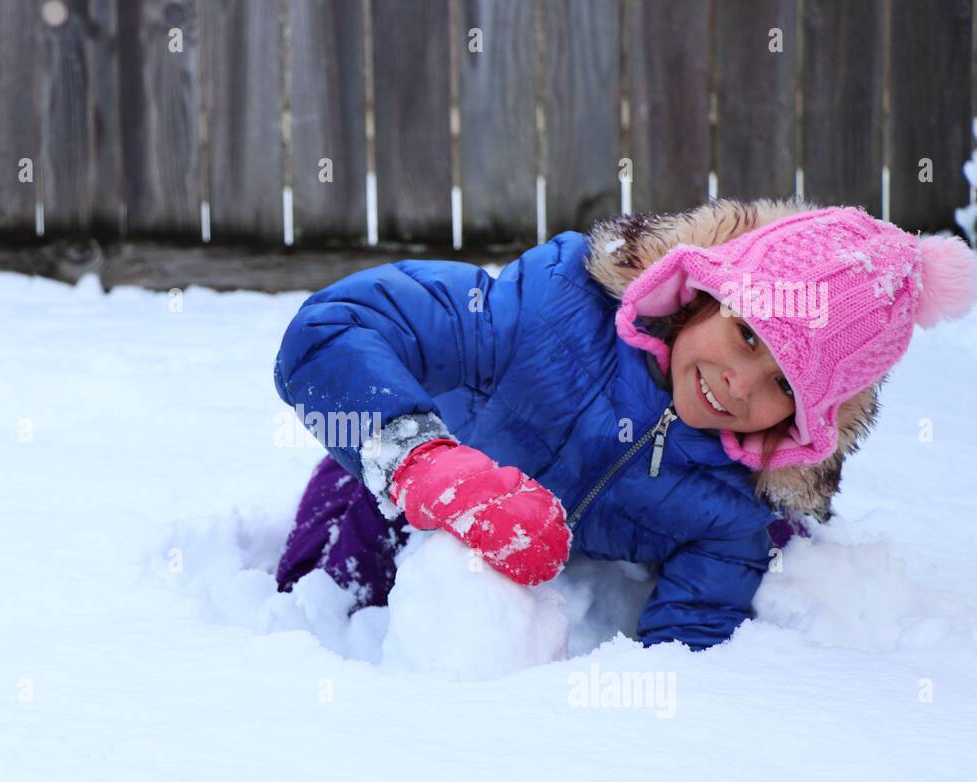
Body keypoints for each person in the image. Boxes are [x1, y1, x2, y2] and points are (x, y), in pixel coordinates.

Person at [272, 199, 977, 650]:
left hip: (542, 566)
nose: (739, 381)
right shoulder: (546, 310)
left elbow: (688, 650)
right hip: (409, 488)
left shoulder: (730, 511)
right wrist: (418, 457)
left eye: (783, 388)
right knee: (324, 604)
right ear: (704, 292)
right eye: (750, 336)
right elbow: (337, 327)